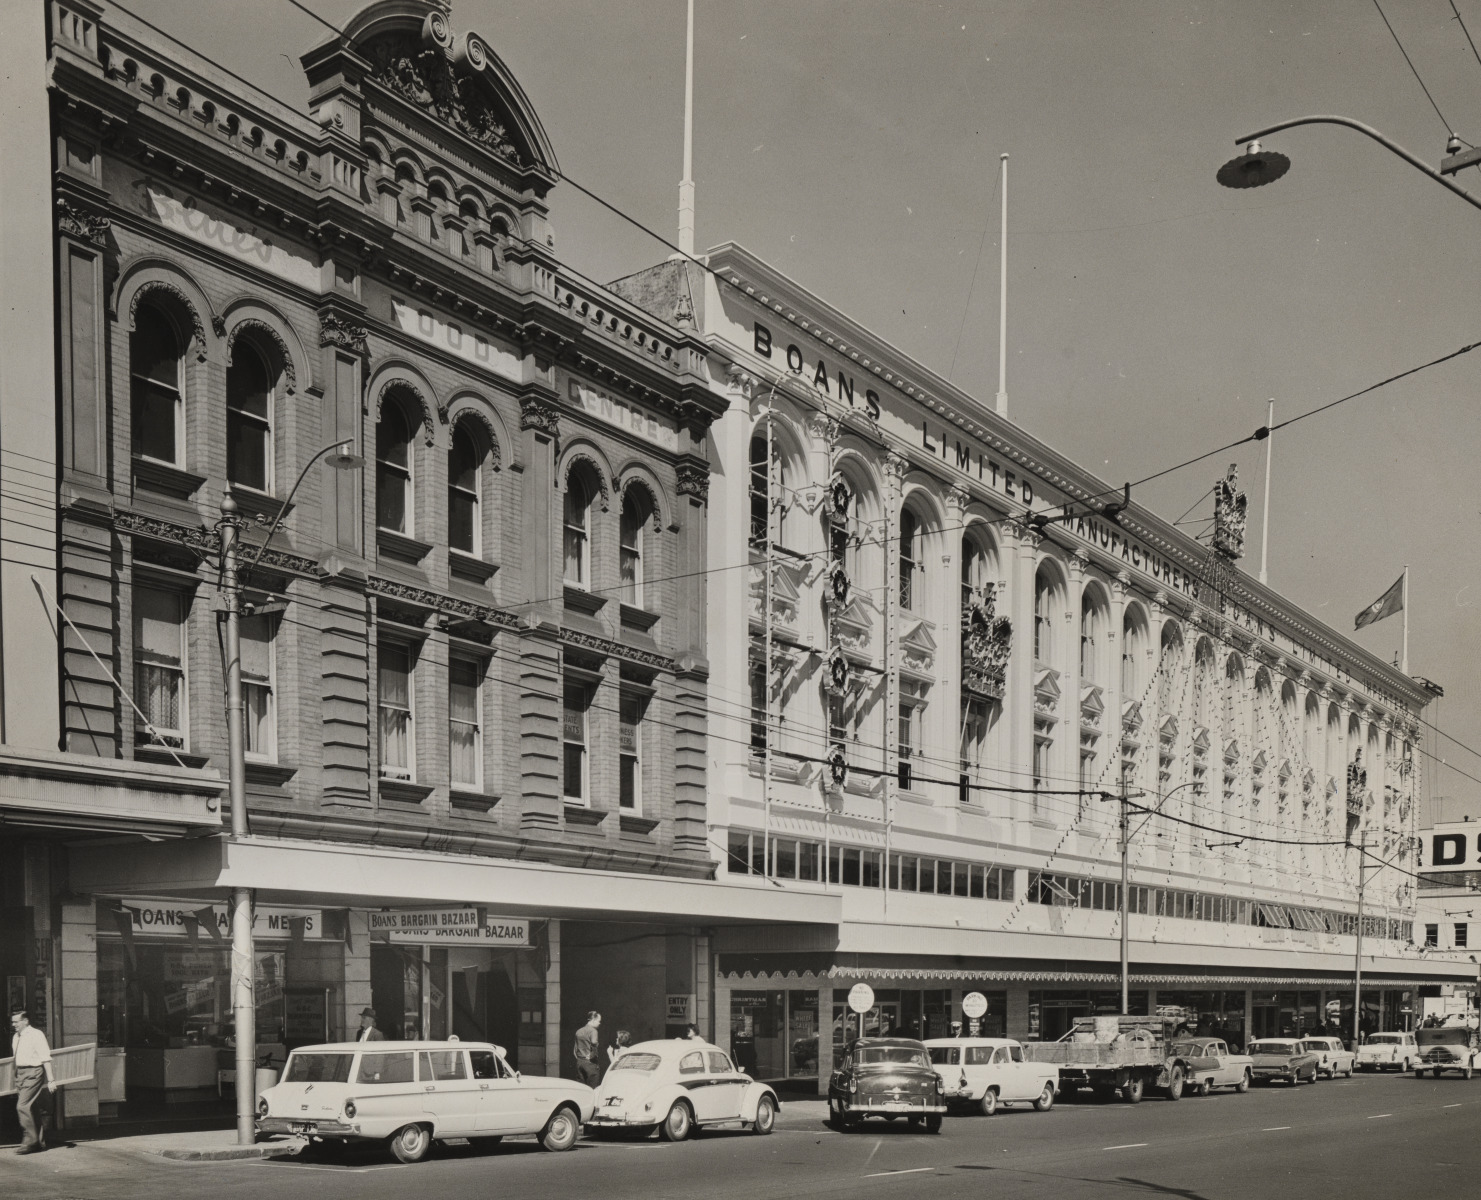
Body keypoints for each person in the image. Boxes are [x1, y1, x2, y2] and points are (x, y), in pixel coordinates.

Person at [11, 1009, 58, 1155]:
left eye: (16, 1022)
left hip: (34, 1072)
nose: (14, 1025)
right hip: (21, 1074)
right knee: (31, 1107)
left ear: (26, 1021)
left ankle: (30, 1141)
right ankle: (39, 1141)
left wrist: (51, 1080)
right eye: (12, 1022)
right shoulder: (16, 1037)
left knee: (22, 1106)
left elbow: (45, 1057)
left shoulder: (36, 1035)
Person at [573, 1011, 602, 1085]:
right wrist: (593, 1054)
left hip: (580, 1063)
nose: (599, 1023)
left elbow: (575, 1051)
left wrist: (581, 1059)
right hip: (590, 1063)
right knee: (593, 1088)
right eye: (599, 1021)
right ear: (593, 1020)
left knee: (581, 1087)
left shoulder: (578, 1031)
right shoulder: (593, 1031)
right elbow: (594, 1042)